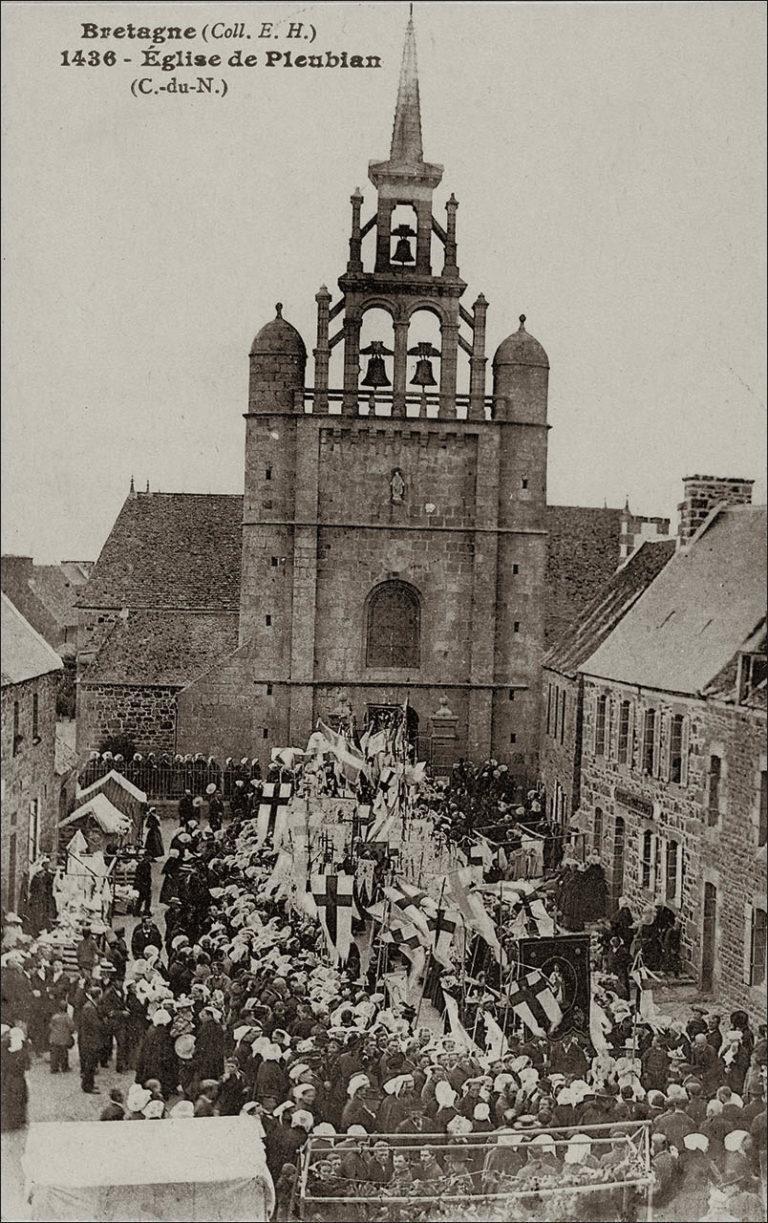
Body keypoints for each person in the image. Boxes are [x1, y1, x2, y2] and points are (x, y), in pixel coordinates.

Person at [77, 985, 105, 1094]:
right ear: (98, 995)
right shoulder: (89, 1008)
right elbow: (95, 1024)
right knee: (90, 1064)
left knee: (91, 1064)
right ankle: (87, 1086)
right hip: (90, 1040)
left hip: (91, 1039)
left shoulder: (91, 1006)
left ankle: (90, 1084)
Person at [48, 998, 75, 1074]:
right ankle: (64, 1067)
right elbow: (72, 1027)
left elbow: (50, 1026)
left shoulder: (54, 1016)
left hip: (54, 1038)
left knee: (54, 1054)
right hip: (63, 1039)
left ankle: (54, 1068)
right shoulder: (67, 1017)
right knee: (64, 1053)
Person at [134, 852, 153, 917]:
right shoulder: (143, 864)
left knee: (142, 898)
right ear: (146, 857)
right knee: (146, 898)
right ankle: (145, 911)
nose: (150, 858)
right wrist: (144, 883)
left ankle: (138, 911)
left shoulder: (146, 864)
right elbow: (140, 875)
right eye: (149, 856)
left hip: (145, 884)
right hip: (143, 884)